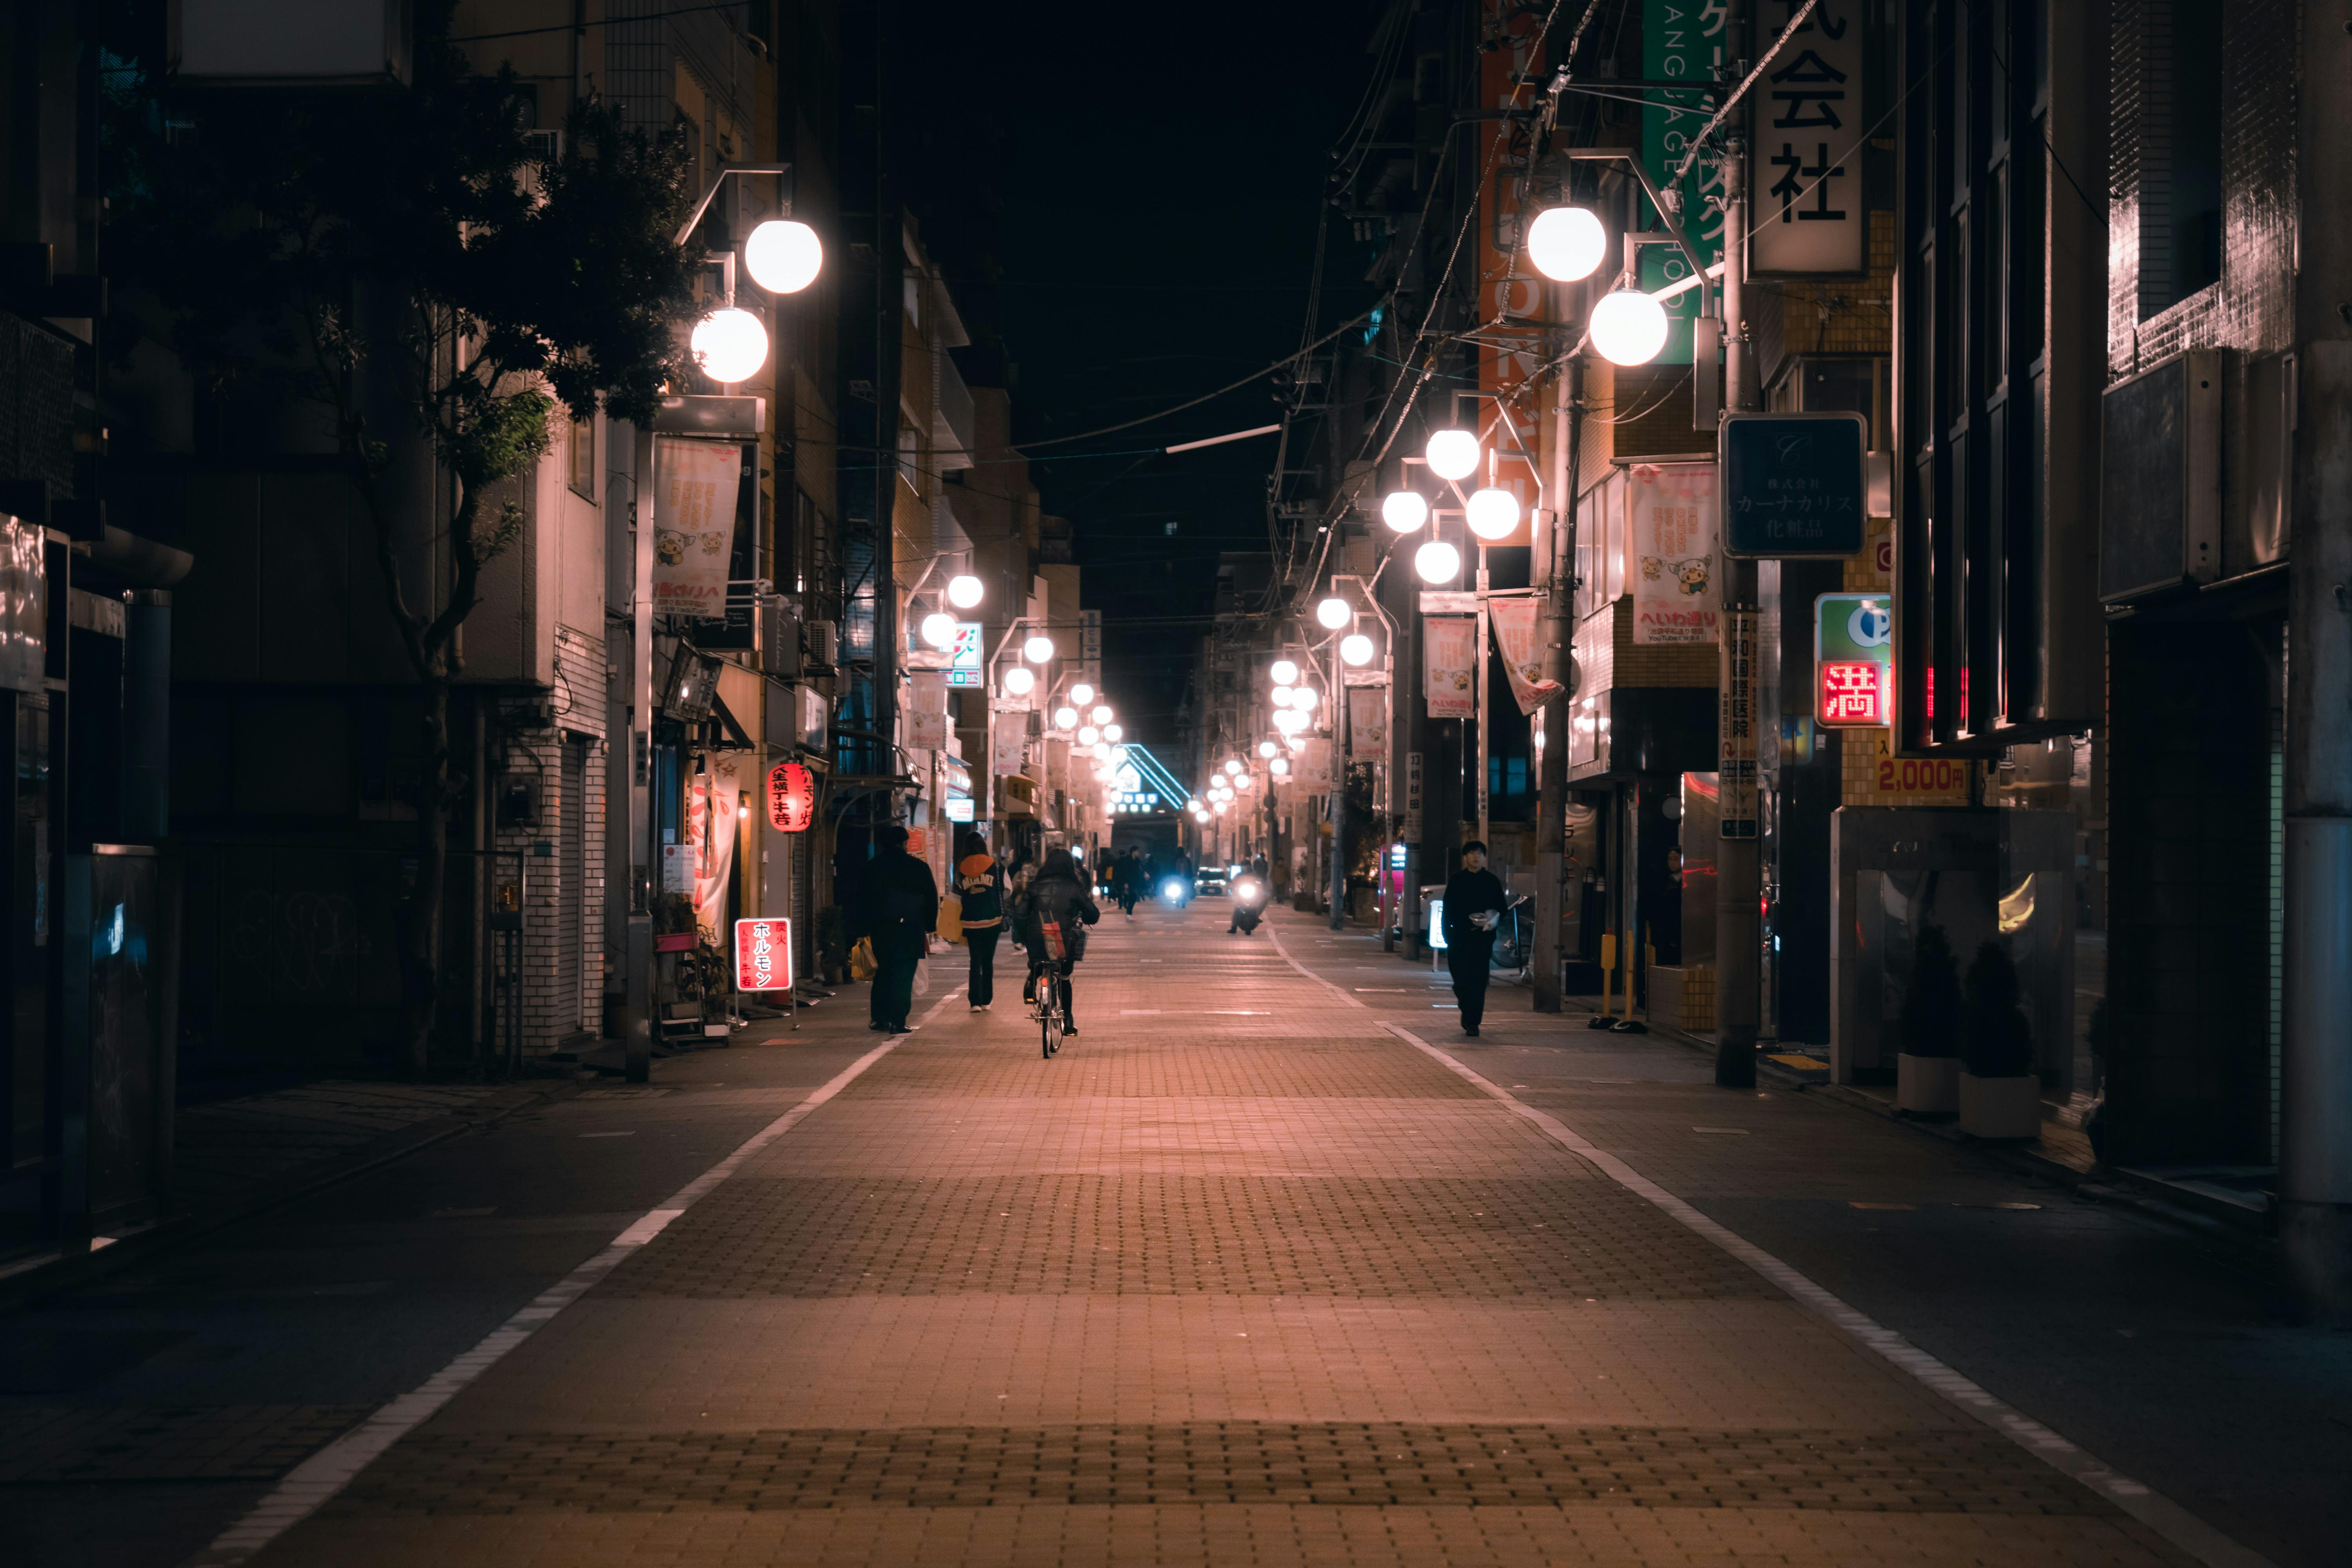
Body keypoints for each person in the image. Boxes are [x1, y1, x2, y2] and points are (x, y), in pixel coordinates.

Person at [851, 823, 939, 1034]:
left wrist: (861, 930)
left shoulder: (872, 867)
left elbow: (860, 901)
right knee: (904, 975)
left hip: (881, 930)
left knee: (883, 973)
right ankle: (898, 1021)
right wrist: (930, 925)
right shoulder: (918, 868)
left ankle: (879, 1019)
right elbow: (931, 898)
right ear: (905, 843)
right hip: (911, 928)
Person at [1013, 847, 1101, 1035]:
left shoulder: (1035, 886)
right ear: (1070, 867)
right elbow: (1093, 914)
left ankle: (1032, 979)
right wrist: (1086, 918)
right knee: (1064, 976)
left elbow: (1020, 915)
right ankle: (1068, 1022)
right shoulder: (1074, 887)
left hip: (1037, 937)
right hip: (1063, 939)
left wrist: (1025, 936)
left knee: (1038, 959)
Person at [1441, 839, 1508, 1037]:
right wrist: (1447, 934)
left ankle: (1473, 1023)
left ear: (1484, 857)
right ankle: (1465, 1006)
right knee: (1461, 980)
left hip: (1482, 938)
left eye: (1480, 853)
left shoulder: (1492, 881)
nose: (1476, 857)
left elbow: (1501, 909)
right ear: (1465, 857)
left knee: (1478, 981)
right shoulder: (1457, 880)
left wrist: (1492, 919)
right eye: (1472, 853)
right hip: (1459, 937)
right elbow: (1447, 908)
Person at [953, 833, 1005, 1013]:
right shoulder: (996, 865)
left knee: (975, 961)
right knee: (988, 961)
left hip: (970, 921)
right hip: (992, 920)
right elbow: (1006, 890)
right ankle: (987, 1000)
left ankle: (975, 1002)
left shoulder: (962, 866)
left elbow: (960, 890)